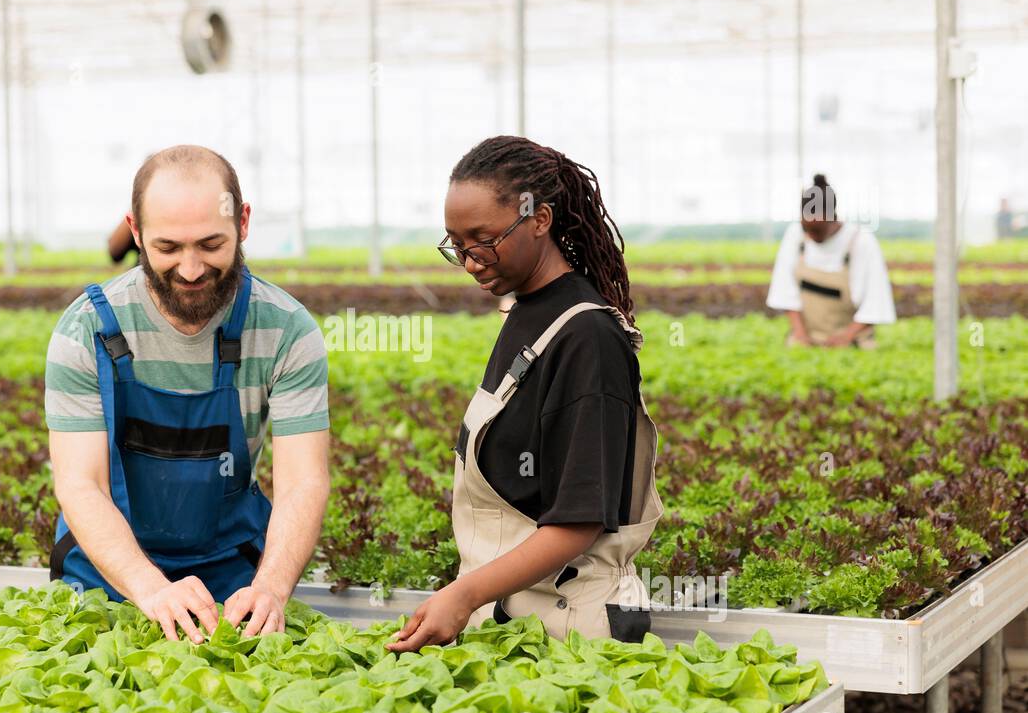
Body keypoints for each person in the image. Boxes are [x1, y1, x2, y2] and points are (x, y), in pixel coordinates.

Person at [387, 135, 663, 652]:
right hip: (515, 619)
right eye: (456, 244)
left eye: (484, 239)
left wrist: (463, 595)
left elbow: (577, 523)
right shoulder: (526, 312)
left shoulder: (588, 339)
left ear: (540, 219)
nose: (470, 260)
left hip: (571, 632)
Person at [45, 145, 331, 642]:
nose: (193, 269)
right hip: (106, 569)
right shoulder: (86, 329)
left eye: (211, 244)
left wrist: (271, 588)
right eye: (169, 248)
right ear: (135, 232)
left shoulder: (285, 329)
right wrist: (151, 590)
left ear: (243, 222)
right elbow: (80, 485)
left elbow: (302, 482)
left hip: (231, 567)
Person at [766, 173, 896, 348]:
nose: (811, 236)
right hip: (807, 336)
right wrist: (800, 333)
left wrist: (846, 337)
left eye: (817, 230)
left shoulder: (860, 241)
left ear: (833, 218)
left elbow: (876, 300)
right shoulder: (795, 234)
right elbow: (784, 289)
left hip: (853, 339)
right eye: (807, 229)